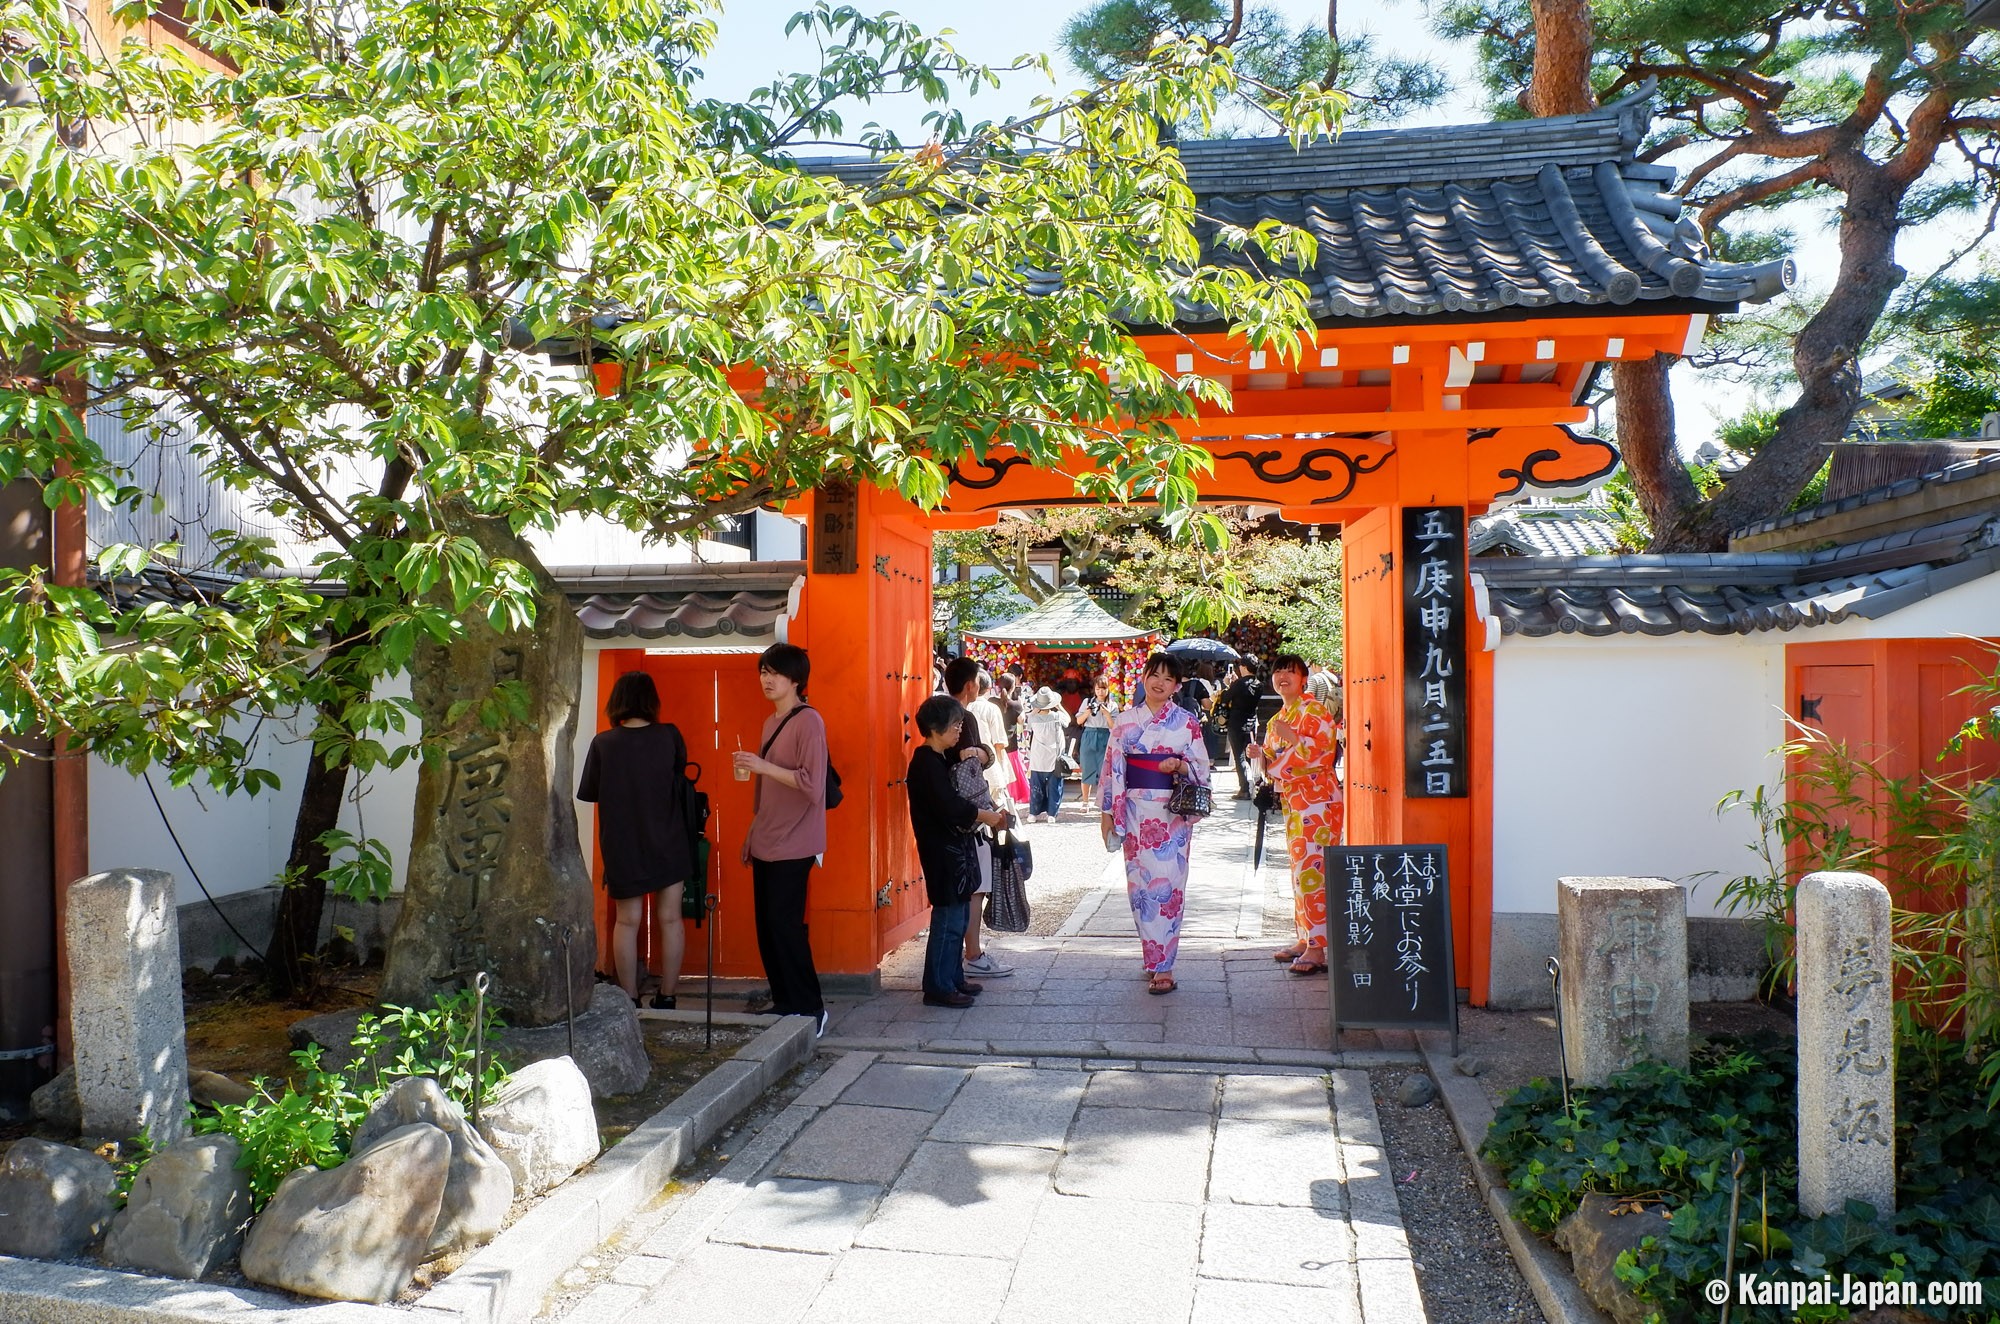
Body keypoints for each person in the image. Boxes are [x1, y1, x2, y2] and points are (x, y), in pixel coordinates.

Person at [575, 671, 692, 1010]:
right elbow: (679, 776)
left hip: (623, 842)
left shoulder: (603, 743)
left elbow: (591, 793)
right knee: (671, 918)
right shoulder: (670, 736)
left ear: (617, 702)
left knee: (627, 921)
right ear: (651, 701)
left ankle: (629, 998)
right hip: (669, 840)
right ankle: (668, 996)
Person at [1099, 652, 1211, 995]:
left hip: (1172, 815)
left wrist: (1179, 766)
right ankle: (1153, 954)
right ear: (1143, 677)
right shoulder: (1124, 722)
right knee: (1140, 889)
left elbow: (1202, 769)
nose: (1159, 683)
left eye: (1168, 679)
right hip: (1134, 811)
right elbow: (1111, 770)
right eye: (1154, 675)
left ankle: (1165, 966)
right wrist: (1107, 813)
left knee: (1169, 889)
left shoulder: (1186, 723)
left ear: (1177, 686)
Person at [732, 642, 829, 1035]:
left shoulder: (809, 721)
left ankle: (812, 1008)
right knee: (768, 927)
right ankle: (785, 1001)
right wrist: (752, 832)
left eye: (774, 673)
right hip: (767, 837)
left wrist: (763, 766)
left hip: (797, 840)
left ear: (796, 680)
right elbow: (764, 793)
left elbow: (812, 785)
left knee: (786, 926)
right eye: (763, 672)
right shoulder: (770, 722)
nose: (766, 679)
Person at [907, 696, 1012, 1008]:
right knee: (948, 918)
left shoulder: (940, 758)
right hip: (941, 850)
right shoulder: (926, 762)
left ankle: (952, 977)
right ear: (937, 729)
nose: (958, 730)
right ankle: (937, 985)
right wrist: (986, 816)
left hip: (954, 847)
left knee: (959, 913)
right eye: (954, 725)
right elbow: (951, 807)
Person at [1249, 653, 1344, 976]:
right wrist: (1260, 755)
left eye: (1290, 672)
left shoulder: (1315, 712)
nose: (1282, 677)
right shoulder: (1279, 717)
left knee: (1313, 870)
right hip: (1295, 802)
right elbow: (1272, 763)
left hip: (1318, 802)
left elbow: (1322, 755)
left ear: (1305, 678)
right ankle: (1305, 937)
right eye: (1278, 672)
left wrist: (1294, 741)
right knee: (1300, 869)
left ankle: (1317, 947)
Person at [946, 659, 1014, 979]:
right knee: (977, 886)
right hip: (969, 812)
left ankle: (958, 953)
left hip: (945, 809)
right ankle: (973, 952)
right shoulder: (965, 717)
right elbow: (974, 764)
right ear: (972, 684)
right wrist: (984, 753)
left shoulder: (939, 711)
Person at [1023, 686, 1070, 822]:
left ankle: (1033, 813)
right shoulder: (1057, 717)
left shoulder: (1033, 719)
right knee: (1055, 786)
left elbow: (1027, 722)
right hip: (1054, 757)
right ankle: (1051, 814)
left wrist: (1034, 710)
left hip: (1038, 757)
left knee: (1036, 786)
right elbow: (1068, 720)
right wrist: (1059, 706)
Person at [1219, 658, 1265, 798]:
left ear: (1244, 667)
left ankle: (1244, 788)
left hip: (1237, 723)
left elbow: (1225, 698)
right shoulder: (1259, 684)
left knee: (1239, 756)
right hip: (1251, 723)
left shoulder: (1239, 684)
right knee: (1251, 755)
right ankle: (1258, 782)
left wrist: (1228, 685)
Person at [1076, 674, 1116, 804]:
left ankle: (1102, 802)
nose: (1100, 692)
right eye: (1098, 689)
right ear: (1094, 689)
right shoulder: (1087, 702)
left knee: (1104, 771)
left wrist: (1107, 714)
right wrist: (1088, 711)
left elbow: (1114, 727)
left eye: (1103, 689)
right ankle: (1085, 802)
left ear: (1108, 689)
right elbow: (1079, 721)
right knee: (1087, 769)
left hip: (1105, 736)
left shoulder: (1112, 705)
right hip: (1089, 734)